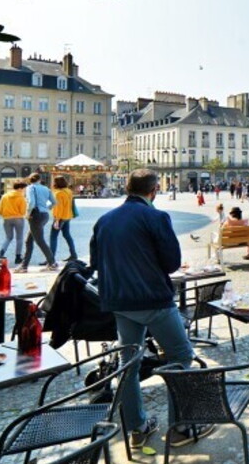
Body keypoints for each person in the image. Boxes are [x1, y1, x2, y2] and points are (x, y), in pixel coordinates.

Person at [90, 168, 210, 449]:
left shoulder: (104, 220)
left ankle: (136, 427)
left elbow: (95, 260)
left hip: (119, 302)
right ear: (154, 190)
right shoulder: (156, 216)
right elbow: (171, 263)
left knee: (128, 363)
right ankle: (181, 426)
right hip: (152, 299)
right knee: (181, 356)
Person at [19, 173, 56, 273]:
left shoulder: (30, 188)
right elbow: (54, 202)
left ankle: (52, 263)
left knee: (39, 240)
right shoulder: (46, 189)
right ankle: (24, 265)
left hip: (35, 215)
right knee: (29, 240)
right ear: (39, 179)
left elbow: (31, 202)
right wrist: (46, 209)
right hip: (44, 215)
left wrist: (27, 214)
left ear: (30, 180)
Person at [0, 180, 28, 264]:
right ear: (20, 188)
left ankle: (1, 253)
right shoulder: (21, 198)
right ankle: (18, 257)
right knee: (19, 238)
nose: (24, 190)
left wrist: (6, 214)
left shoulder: (5, 196)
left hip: (7, 219)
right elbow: (23, 211)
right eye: (24, 188)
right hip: (18, 219)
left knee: (8, 237)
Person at [49, 175, 78, 262]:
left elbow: (59, 208)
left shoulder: (58, 193)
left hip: (60, 217)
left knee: (53, 237)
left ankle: (51, 258)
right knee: (67, 235)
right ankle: (73, 254)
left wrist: (57, 220)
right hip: (67, 216)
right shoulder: (68, 191)